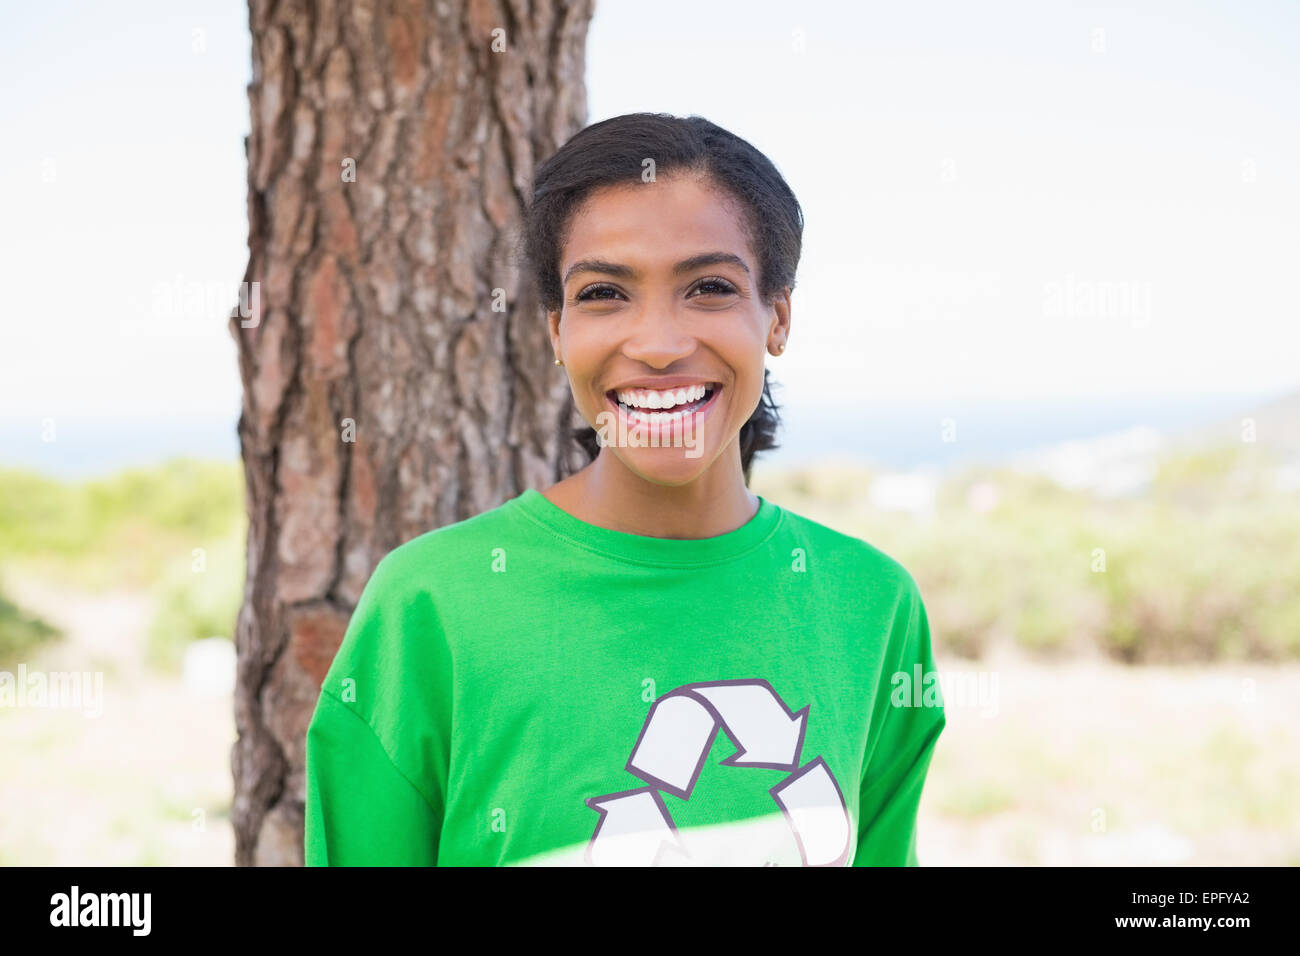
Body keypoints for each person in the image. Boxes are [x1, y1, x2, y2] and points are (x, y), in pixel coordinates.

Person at [304, 112, 946, 866]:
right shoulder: (429, 606)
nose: (659, 345)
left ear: (777, 316)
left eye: (708, 287)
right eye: (605, 293)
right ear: (556, 331)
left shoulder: (871, 605)